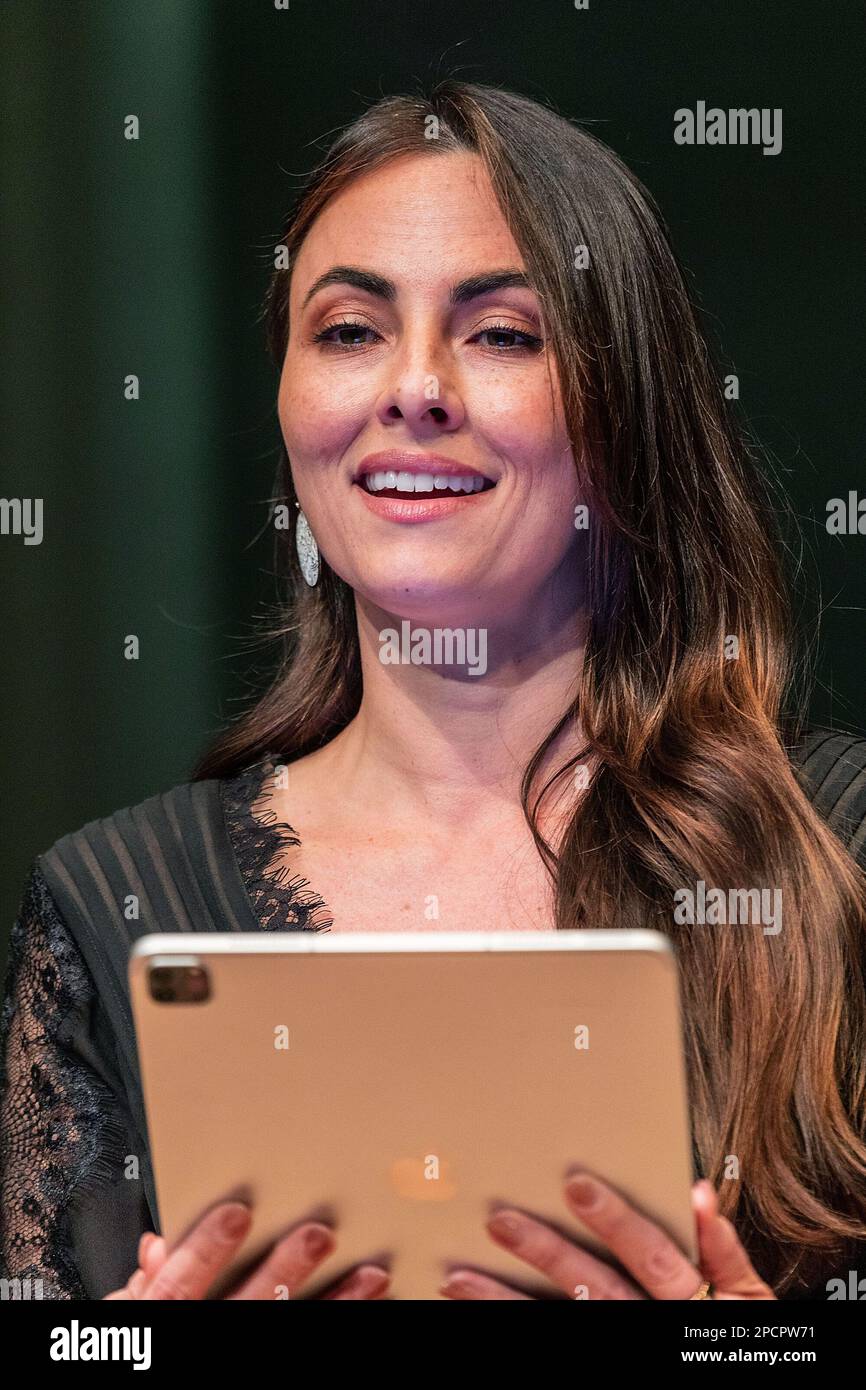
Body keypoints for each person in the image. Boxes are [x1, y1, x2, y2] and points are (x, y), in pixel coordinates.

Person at [2, 80, 866, 1302]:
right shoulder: (111, 905)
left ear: (624, 419)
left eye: (502, 333)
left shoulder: (838, 857)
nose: (413, 387)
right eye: (349, 330)